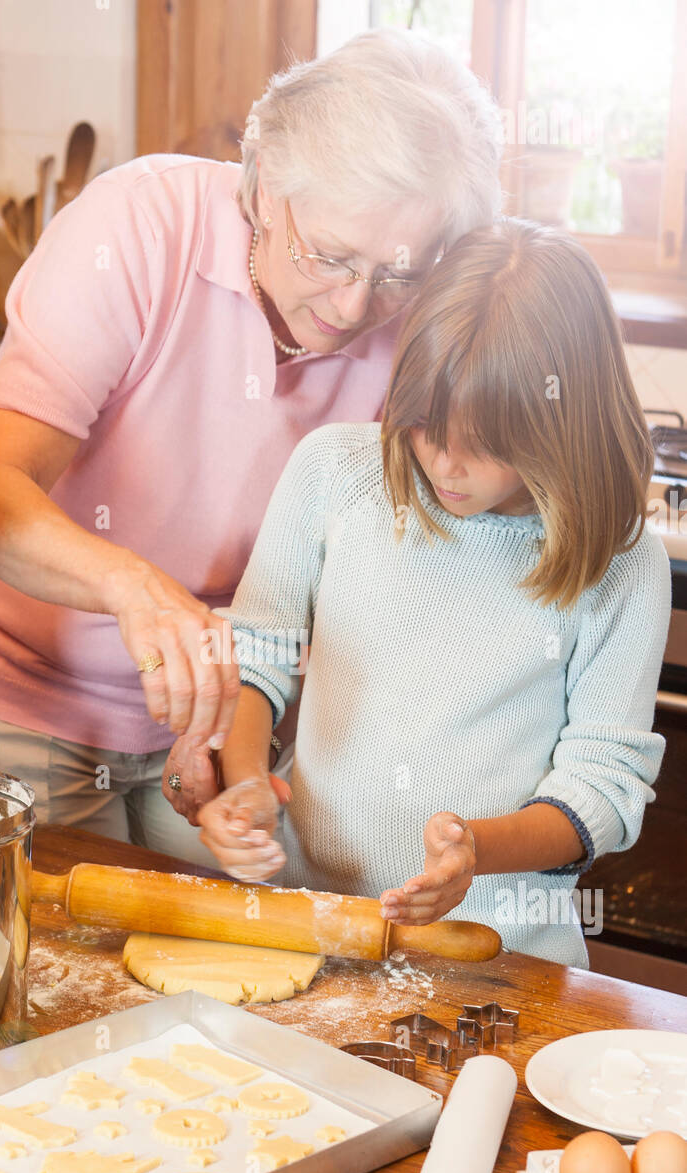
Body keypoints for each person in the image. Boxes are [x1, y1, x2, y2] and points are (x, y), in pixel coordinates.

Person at [0, 29, 503, 861]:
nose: (353, 307)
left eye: (398, 272)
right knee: (50, 968)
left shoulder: (426, 315)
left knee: (246, 969)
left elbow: (372, 566)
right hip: (23, 702)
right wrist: (137, 591)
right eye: (330, 256)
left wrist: (243, 712)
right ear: (265, 186)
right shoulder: (134, 230)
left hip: (229, 716)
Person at [195, 220, 671, 966]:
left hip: (502, 954)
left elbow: (602, 789)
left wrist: (474, 850)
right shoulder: (333, 473)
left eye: (483, 444)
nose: (447, 465)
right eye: (424, 426)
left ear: (560, 420)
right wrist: (247, 781)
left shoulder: (620, 564)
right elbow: (257, 655)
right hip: (312, 923)